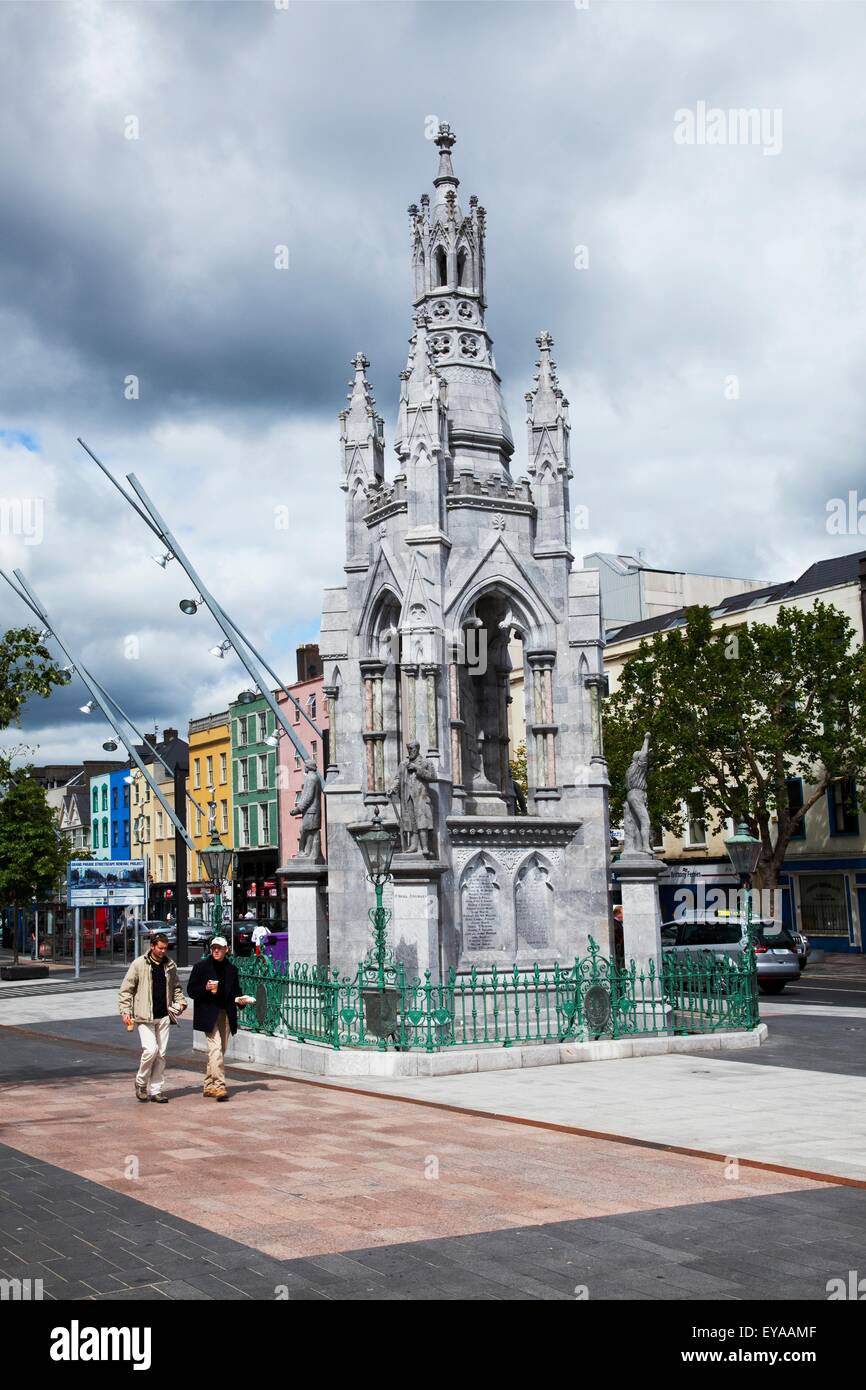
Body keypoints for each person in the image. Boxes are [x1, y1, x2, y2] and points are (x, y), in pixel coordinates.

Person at [118, 932, 187, 1103]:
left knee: (161, 1054)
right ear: (153, 946)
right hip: (143, 1015)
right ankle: (140, 1082)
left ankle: (156, 1090)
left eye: (166, 948)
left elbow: (176, 986)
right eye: (160, 948)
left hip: (163, 1015)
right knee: (151, 1050)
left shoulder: (170, 965)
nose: (163, 951)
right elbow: (126, 989)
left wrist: (181, 1002)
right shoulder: (139, 964)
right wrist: (125, 1010)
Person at [186, 936, 254, 1101]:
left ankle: (208, 1085)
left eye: (219, 948)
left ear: (226, 950)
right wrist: (205, 988)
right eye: (214, 947)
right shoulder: (201, 967)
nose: (216, 950)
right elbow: (191, 991)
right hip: (208, 1014)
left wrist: (241, 1001)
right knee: (215, 1049)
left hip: (225, 1013)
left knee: (219, 1051)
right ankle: (219, 1086)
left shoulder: (231, 969)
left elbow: (236, 993)